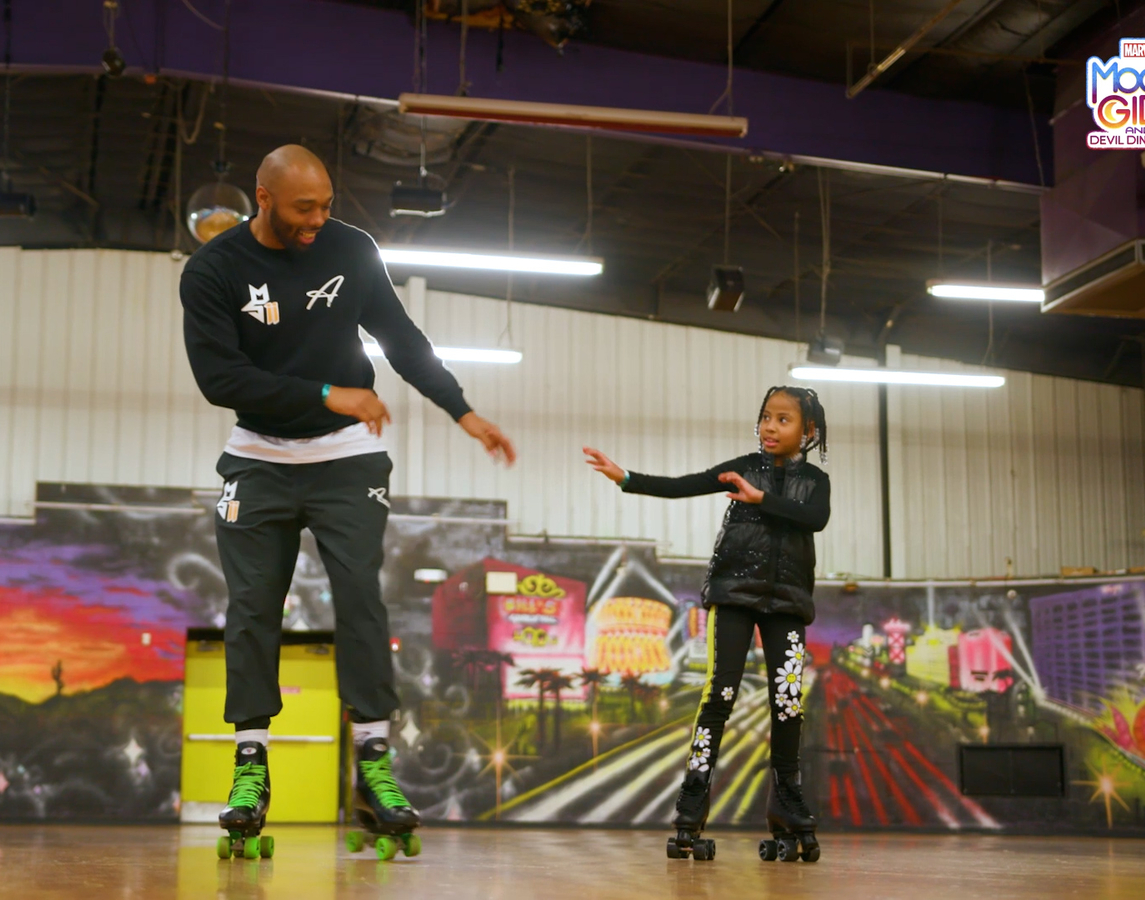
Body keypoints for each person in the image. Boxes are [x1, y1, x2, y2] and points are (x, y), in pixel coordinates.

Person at [180, 144, 516, 850]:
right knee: (251, 605)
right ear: (263, 198)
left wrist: (462, 410)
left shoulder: (350, 249)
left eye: (327, 205)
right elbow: (221, 380)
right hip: (256, 457)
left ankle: (374, 760)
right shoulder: (213, 271)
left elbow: (400, 337)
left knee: (359, 593)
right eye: (305, 208)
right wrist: (328, 392)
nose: (320, 220)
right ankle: (250, 763)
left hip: (346, 456)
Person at [582, 386, 830, 863]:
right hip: (733, 594)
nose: (771, 427)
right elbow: (683, 484)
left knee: (787, 702)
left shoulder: (815, 482)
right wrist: (626, 477)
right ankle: (694, 795)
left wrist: (761, 500)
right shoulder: (743, 467)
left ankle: (788, 797)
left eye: (783, 420)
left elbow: (815, 519)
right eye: (766, 418)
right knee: (719, 694)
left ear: (809, 431)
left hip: (789, 603)